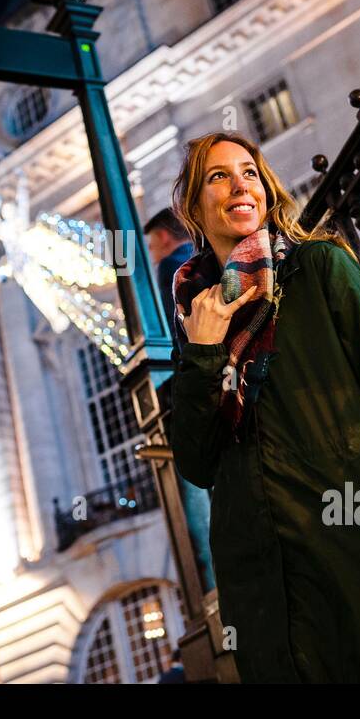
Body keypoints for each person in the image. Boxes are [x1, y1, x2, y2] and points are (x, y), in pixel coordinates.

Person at [166, 131, 360, 683]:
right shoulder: (196, 318)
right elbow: (196, 460)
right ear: (193, 206)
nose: (241, 184)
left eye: (249, 172)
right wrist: (205, 354)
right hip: (265, 586)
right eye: (219, 176)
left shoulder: (317, 268)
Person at [144, 207, 215, 594]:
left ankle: (214, 596)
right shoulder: (209, 258)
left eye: (153, 245)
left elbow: (171, 328)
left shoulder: (171, 266)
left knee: (200, 513)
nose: (153, 253)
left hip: (189, 387)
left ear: (167, 239)